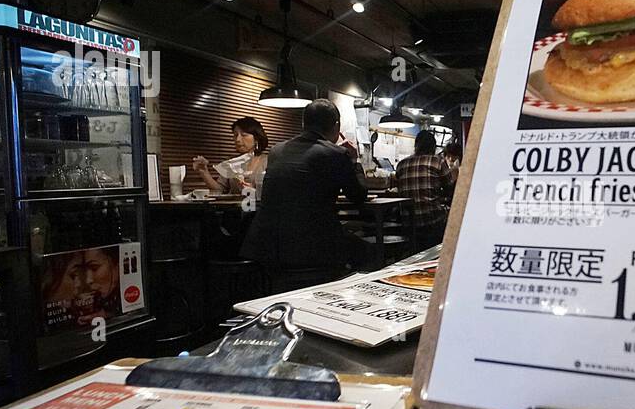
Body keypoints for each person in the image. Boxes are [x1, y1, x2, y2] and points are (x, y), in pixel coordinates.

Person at [241, 100, 366, 289]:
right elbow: (359, 196)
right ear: (336, 126)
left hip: (268, 248)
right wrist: (354, 161)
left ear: (303, 125)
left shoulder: (277, 151)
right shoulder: (336, 153)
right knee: (367, 251)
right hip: (313, 249)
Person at [394, 130, 453, 247]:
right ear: (433, 147)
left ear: (416, 145)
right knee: (453, 215)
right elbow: (450, 188)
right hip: (432, 220)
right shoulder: (438, 161)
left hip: (408, 221)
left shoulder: (401, 164)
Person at [192, 117, 269, 199]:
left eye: (243, 135)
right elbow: (219, 190)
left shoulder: (268, 162)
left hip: (260, 210)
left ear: (256, 139)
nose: (238, 139)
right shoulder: (231, 163)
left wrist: (254, 192)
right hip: (234, 210)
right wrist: (204, 172)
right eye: (235, 135)